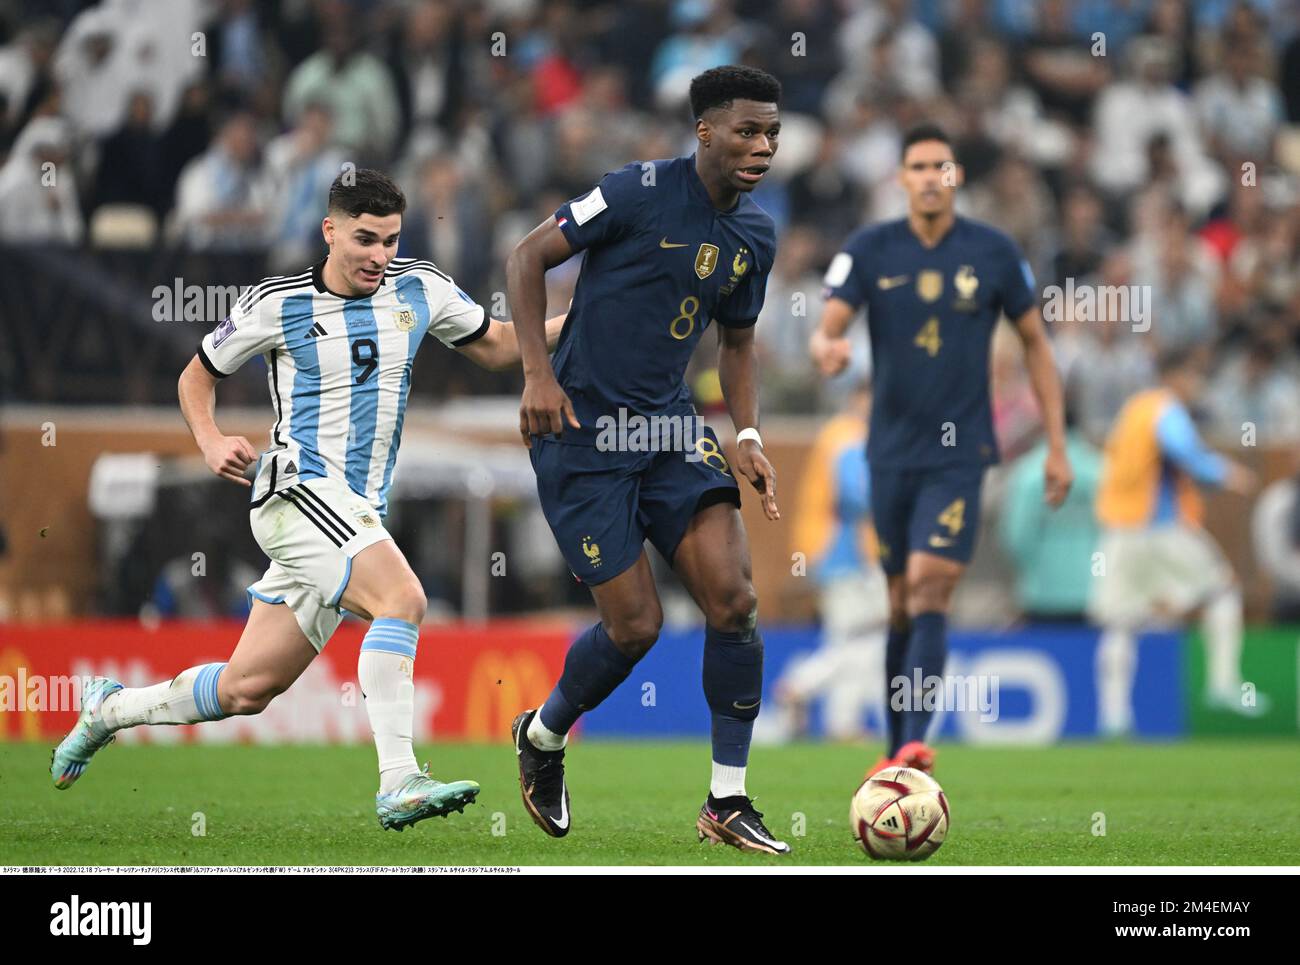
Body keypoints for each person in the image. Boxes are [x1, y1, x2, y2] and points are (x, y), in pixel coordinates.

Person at [51, 168, 565, 832]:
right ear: (329, 231)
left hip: (353, 514)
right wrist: (208, 441)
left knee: (246, 688)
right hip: (297, 493)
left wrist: (585, 315)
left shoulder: (421, 287)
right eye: (364, 239)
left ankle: (108, 710)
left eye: (389, 240)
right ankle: (399, 777)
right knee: (403, 597)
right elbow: (196, 375)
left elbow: (498, 344)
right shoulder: (278, 302)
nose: (378, 255)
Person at [505, 65, 788, 855]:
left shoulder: (756, 234)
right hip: (582, 433)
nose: (761, 146)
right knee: (636, 626)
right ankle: (544, 735)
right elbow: (527, 258)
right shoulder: (634, 191)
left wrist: (751, 434)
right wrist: (535, 373)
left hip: (668, 428)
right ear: (705, 131)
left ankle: (727, 799)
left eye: (771, 133)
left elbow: (736, 343)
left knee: (734, 600)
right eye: (746, 131)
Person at [810, 123, 1072, 777]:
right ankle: (898, 748)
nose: (930, 176)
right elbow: (831, 321)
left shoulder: (994, 252)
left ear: (955, 178)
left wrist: (1058, 446)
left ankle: (913, 744)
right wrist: (828, 348)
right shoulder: (870, 248)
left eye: (942, 166)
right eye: (919, 166)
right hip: (890, 453)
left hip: (961, 454)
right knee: (899, 602)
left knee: (930, 587)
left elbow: (1037, 345)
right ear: (901, 178)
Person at [1090, 346, 1265, 735]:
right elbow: (1183, 450)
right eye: (1193, 376)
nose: (1196, 385)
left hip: (1119, 531)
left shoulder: (1133, 410)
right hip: (1161, 526)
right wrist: (1225, 473)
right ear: (1176, 376)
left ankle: (1114, 716)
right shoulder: (1166, 409)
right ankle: (1223, 683)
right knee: (1222, 589)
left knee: (1121, 622)